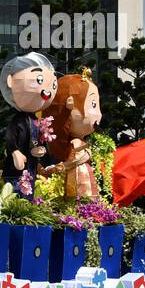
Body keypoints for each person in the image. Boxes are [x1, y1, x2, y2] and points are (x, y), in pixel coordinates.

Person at [0, 52, 58, 185]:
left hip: (31, 168)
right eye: (39, 80)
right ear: (10, 81)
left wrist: (42, 151)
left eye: (53, 85)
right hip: (16, 170)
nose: (47, 92)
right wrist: (14, 152)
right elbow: (10, 138)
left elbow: (40, 140)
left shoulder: (37, 121)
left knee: (29, 193)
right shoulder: (18, 120)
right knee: (15, 192)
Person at [42, 71, 103, 200]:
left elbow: (79, 157)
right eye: (93, 105)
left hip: (83, 173)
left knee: (87, 194)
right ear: (69, 106)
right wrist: (61, 167)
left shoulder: (79, 141)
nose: (98, 114)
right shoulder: (74, 143)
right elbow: (74, 159)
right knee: (78, 196)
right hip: (76, 176)